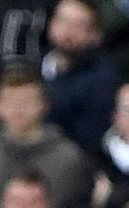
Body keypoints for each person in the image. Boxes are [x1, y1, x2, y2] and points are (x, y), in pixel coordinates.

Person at [0, 65, 93, 208]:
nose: (18, 108)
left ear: (44, 105)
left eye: (27, 100)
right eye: (11, 101)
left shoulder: (69, 158)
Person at [41, 0, 119, 154]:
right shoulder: (35, 65)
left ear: (94, 35)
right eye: (63, 21)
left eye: (78, 25)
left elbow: (89, 139)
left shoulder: (102, 79)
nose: (68, 31)